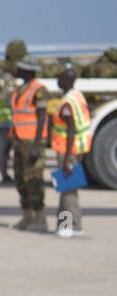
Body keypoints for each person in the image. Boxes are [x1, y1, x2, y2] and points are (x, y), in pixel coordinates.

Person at [8, 56, 50, 232]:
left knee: (34, 180)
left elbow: (42, 117)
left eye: (21, 68)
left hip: (32, 141)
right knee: (20, 179)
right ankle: (27, 215)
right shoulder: (19, 90)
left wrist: (36, 145)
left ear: (28, 70)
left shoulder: (39, 90)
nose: (18, 70)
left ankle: (40, 218)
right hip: (19, 141)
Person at [50, 66, 92, 236]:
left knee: (68, 189)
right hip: (78, 147)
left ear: (67, 80)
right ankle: (63, 224)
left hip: (68, 149)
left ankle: (73, 225)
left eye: (60, 77)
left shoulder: (67, 102)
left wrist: (67, 157)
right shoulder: (77, 95)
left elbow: (71, 130)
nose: (57, 80)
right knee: (65, 187)